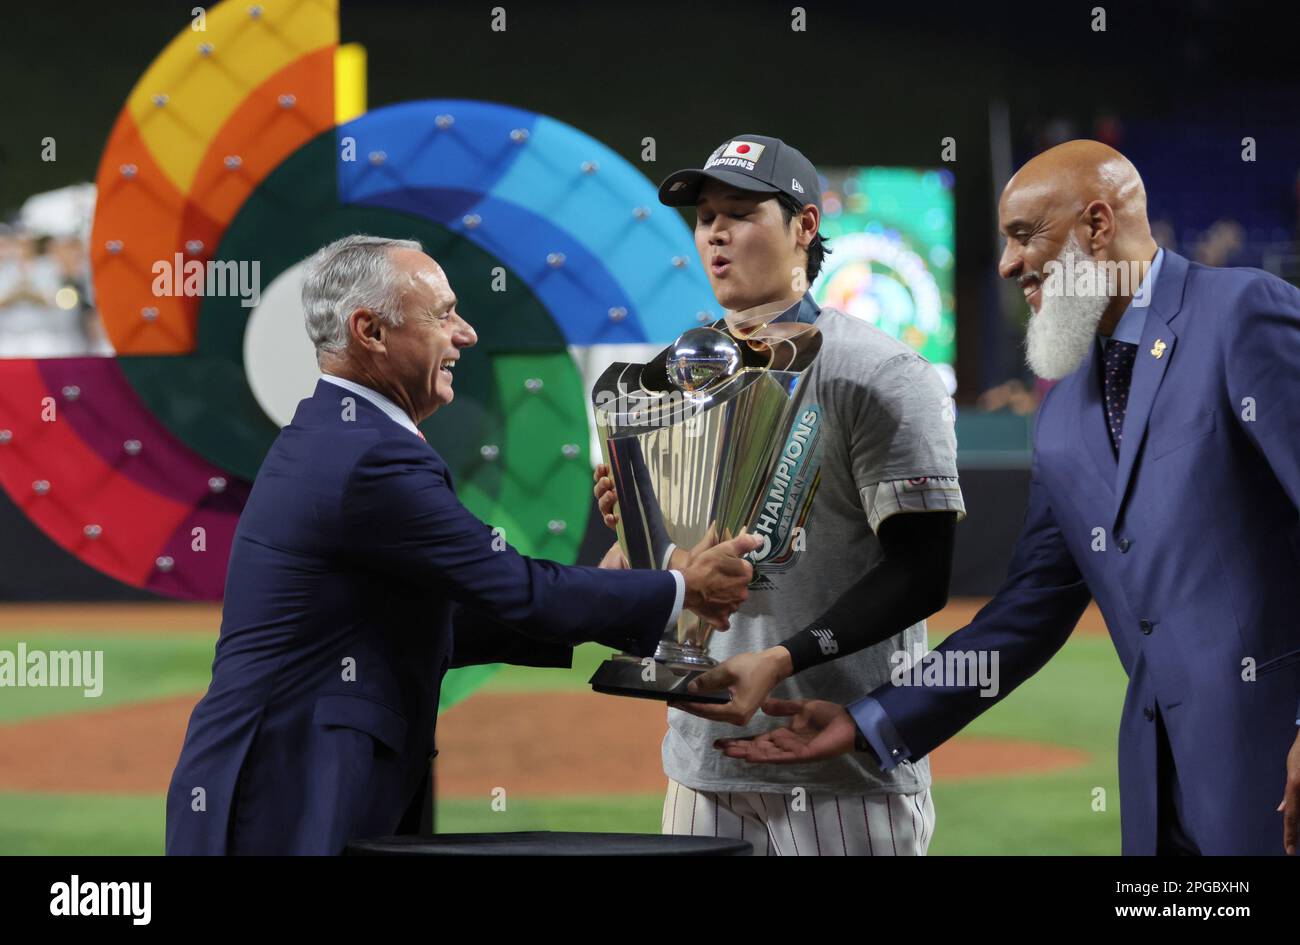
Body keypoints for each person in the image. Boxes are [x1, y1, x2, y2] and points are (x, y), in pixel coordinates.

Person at [719, 140, 1300, 857]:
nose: (1006, 263)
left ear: (1095, 226)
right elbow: (1024, 615)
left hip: (1280, 774)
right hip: (1161, 792)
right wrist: (875, 719)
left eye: (1026, 235)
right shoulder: (1062, 417)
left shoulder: (1241, 312)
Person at [166, 234, 760, 855]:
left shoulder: (341, 434)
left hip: (298, 777)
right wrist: (679, 587)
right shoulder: (370, 455)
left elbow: (432, 623)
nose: (466, 333)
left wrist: (616, 586)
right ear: (369, 330)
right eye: (443, 314)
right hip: (291, 790)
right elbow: (517, 589)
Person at [595, 136, 965, 855]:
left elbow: (922, 572)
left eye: (739, 212)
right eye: (704, 217)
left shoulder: (881, 371)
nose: (715, 233)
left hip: (839, 768)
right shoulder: (672, 375)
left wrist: (785, 657)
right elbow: (675, 567)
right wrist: (641, 539)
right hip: (700, 763)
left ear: (805, 226)